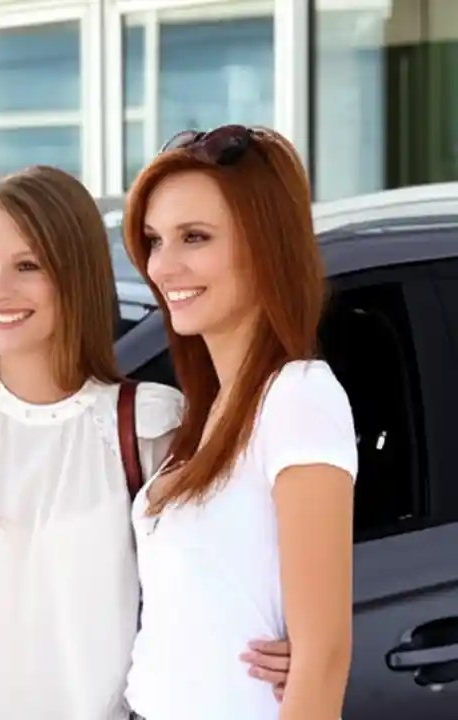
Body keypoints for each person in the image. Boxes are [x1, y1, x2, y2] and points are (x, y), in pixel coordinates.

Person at [0, 165, 290, 720]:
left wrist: (289, 645)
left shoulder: (146, 426)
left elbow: (210, 585)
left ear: (75, 276)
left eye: (28, 266)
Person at [122, 125, 357, 720]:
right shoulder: (211, 410)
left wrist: (306, 663)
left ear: (265, 244)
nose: (163, 266)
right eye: (154, 240)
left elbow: (324, 658)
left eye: (195, 237)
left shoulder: (299, 396)